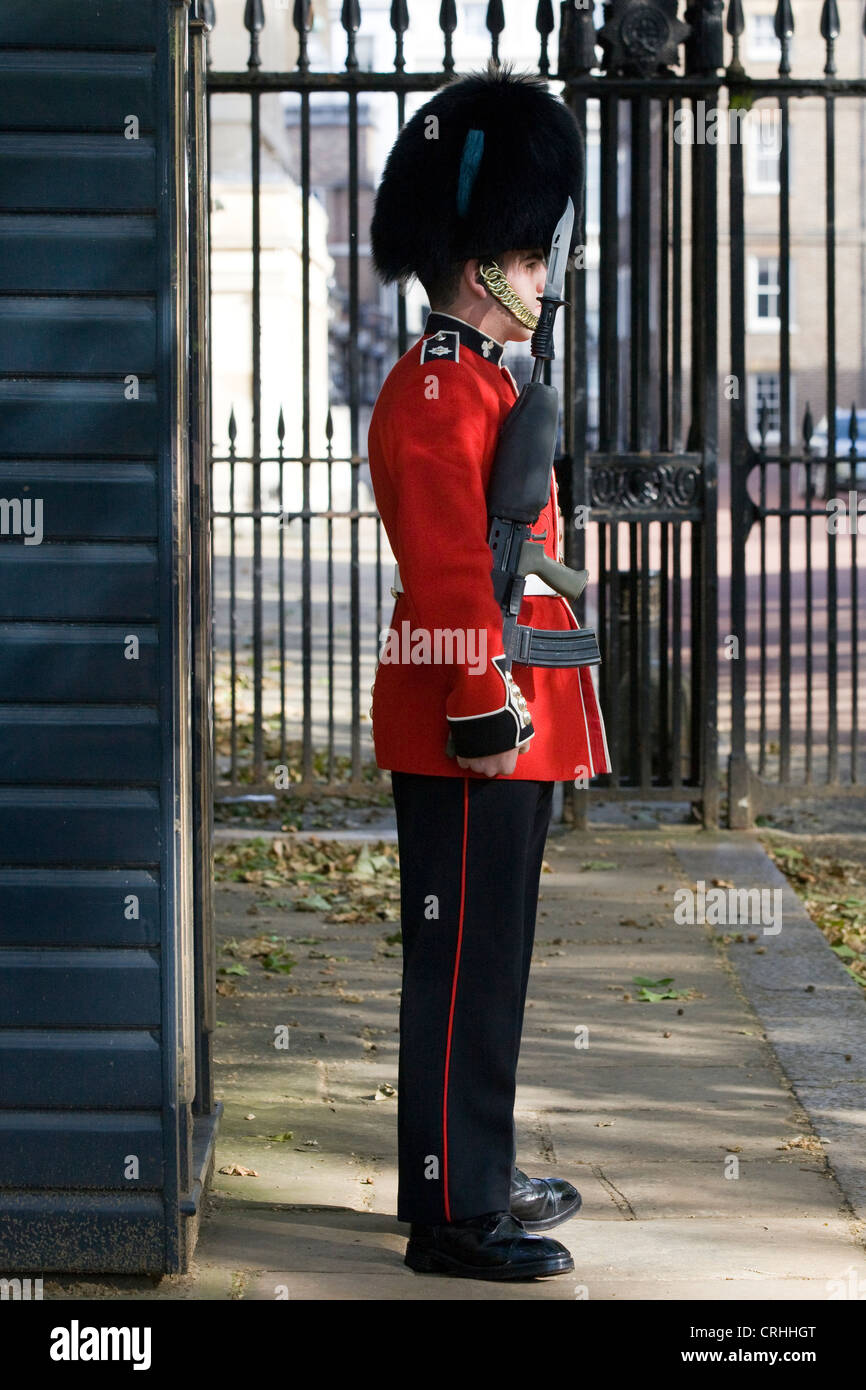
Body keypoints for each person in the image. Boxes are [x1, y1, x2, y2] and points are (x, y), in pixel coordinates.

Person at [367, 64, 610, 1281]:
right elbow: (454, 572)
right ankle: (450, 1217)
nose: (538, 274)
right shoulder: (430, 387)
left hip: (509, 719)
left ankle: (467, 1162)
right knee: (459, 968)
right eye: (526, 255)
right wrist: (480, 707)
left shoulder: (476, 377)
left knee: (485, 966)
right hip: (475, 722)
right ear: (481, 265)